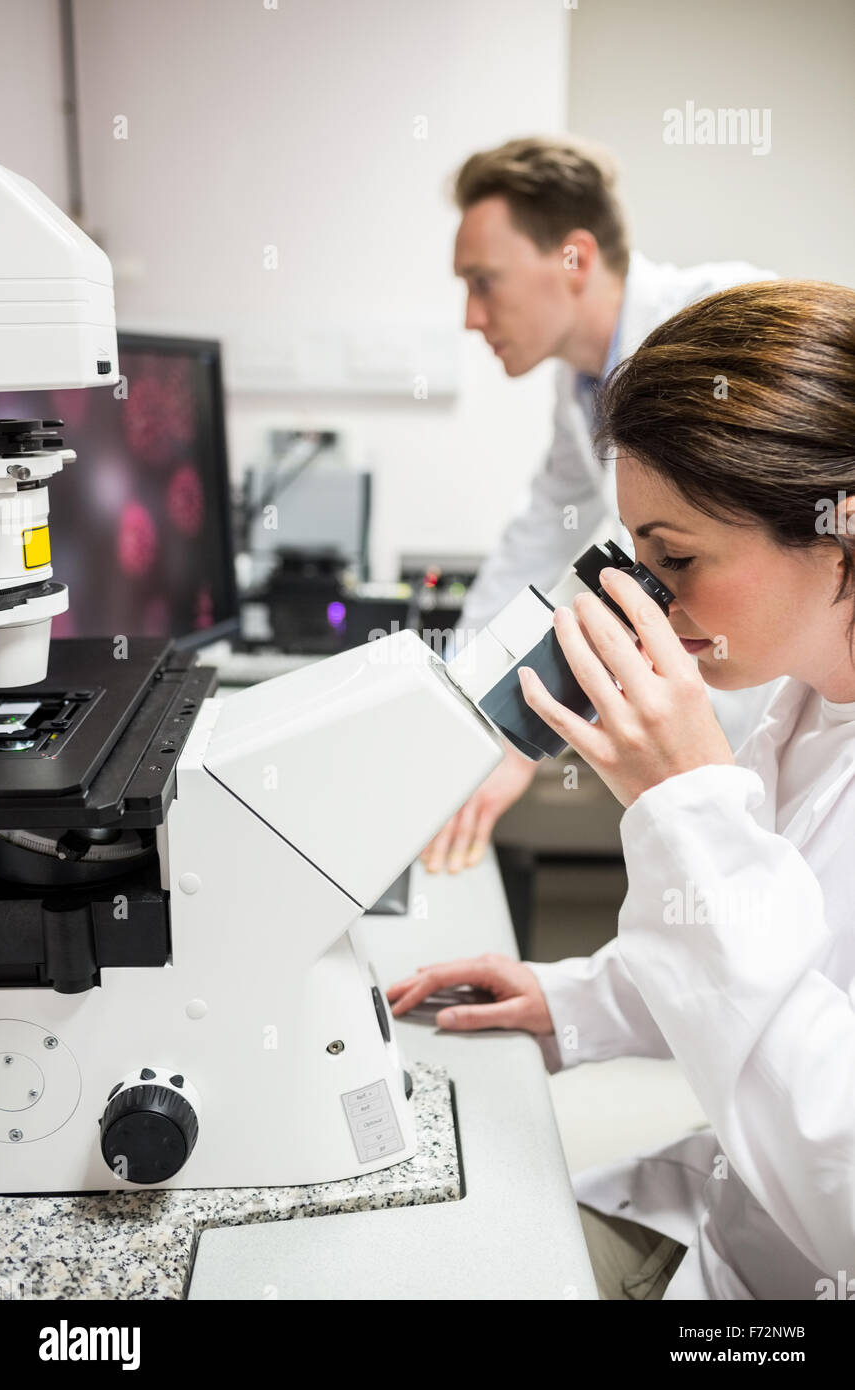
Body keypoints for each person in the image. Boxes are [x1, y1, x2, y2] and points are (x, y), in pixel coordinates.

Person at [390, 280, 855, 1300]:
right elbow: (783, 963)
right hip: (726, 1219)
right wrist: (572, 1000)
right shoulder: (810, 703)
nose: (645, 598)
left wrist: (690, 806)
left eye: (674, 557)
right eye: (636, 554)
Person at [423, 135, 776, 874]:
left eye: (484, 281)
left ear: (574, 258)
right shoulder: (580, 380)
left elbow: (645, 554)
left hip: (778, 689)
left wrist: (515, 727)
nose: (470, 315)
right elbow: (541, 531)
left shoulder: (712, 323)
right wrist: (454, 693)